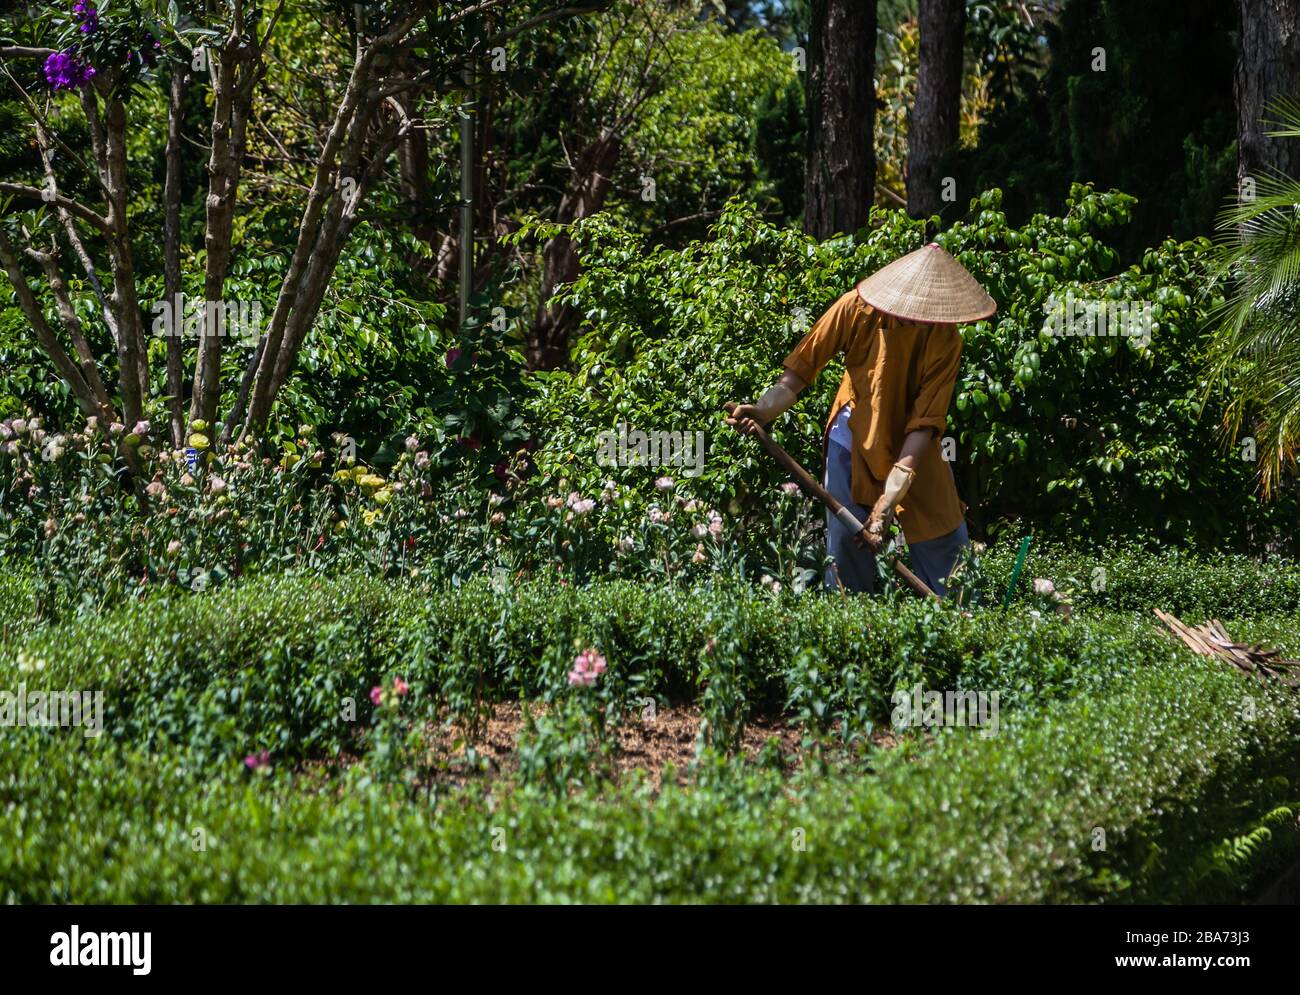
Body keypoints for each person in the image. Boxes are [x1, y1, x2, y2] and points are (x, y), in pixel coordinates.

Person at [726, 242, 996, 597]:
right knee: (849, 549)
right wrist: (764, 410)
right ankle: (851, 628)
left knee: (947, 547)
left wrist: (888, 502)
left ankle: (965, 630)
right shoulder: (855, 308)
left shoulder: (945, 340)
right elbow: (801, 370)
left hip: (916, 453)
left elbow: (924, 425)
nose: (918, 318)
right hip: (853, 440)